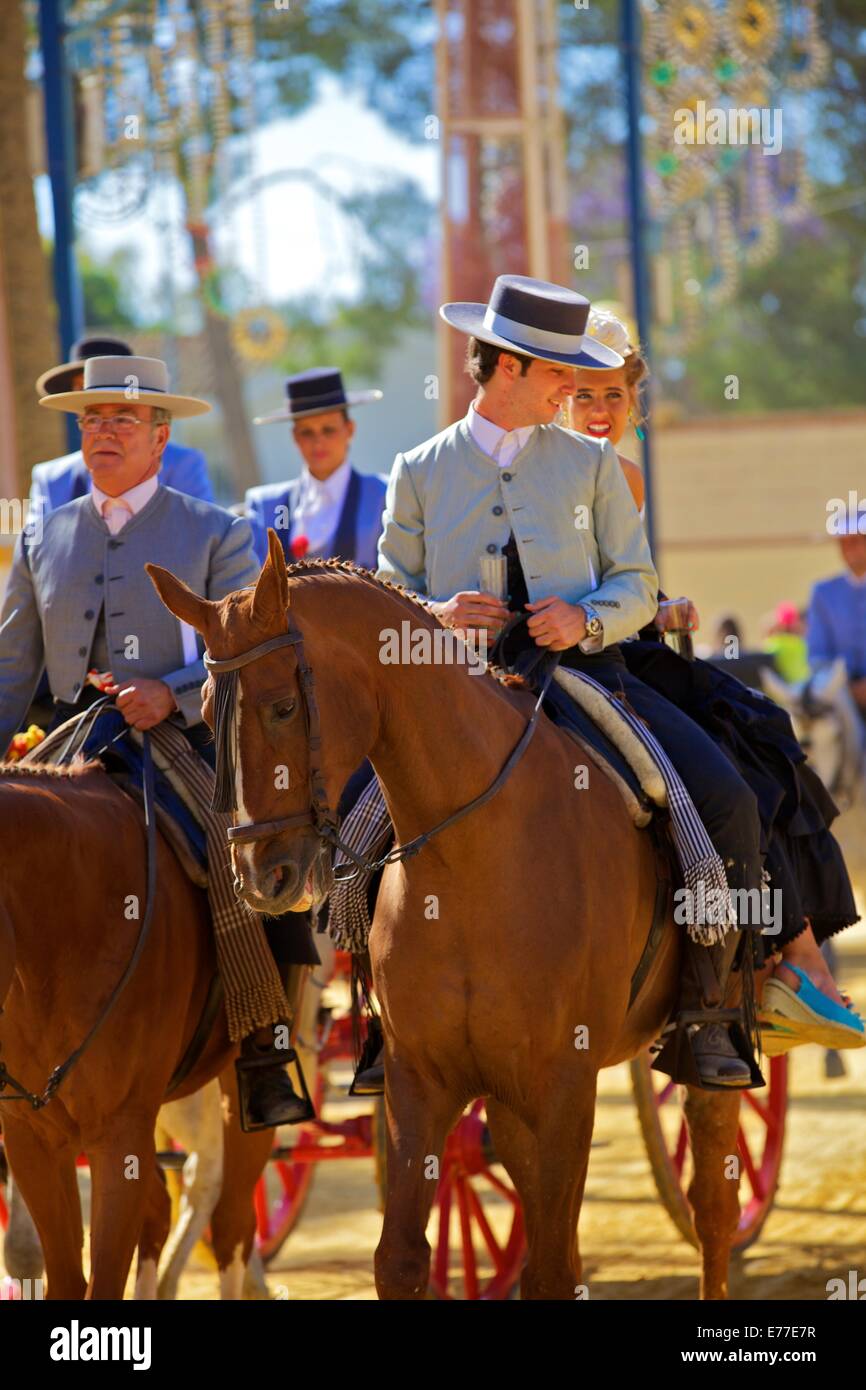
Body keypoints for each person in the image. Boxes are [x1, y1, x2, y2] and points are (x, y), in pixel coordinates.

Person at [376, 273, 777, 1089]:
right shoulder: (417, 469)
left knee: (724, 800)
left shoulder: (593, 465)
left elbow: (636, 582)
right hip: (453, 690)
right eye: (560, 372)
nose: (573, 390)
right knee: (347, 840)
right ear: (510, 367)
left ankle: (707, 1011)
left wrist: (586, 620)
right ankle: (392, 1019)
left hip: (584, 678)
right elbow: (386, 596)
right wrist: (435, 614)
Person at [0, 354, 313, 1128]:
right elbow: (11, 668)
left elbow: (250, 659)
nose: (103, 432)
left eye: (123, 419)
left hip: (185, 735)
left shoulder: (219, 533)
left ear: (160, 436)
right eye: (92, 419)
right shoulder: (44, 537)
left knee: (232, 849)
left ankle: (263, 1044)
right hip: (67, 739)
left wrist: (167, 693)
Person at [567, 306, 862, 1049]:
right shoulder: (535, 471)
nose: (600, 412)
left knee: (761, 728)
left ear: (632, 401)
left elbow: (618, 582)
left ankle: (792, 958)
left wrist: (658, 605)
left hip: (623, 646)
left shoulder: (625, 478)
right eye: (585, 396)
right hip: (579, 657)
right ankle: (785, 962)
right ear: (557, 395)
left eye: (613, 397)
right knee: (737, 750)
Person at [31, 334, 215, 513]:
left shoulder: (182, 464)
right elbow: (36, 541)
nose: (97, 397)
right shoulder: (52, 477)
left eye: (122, 419)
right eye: (83, 391)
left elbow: (202, 530)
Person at [245, 367, 388, 569]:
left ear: (349, 429)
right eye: (307, 432)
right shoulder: (266, 505)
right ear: (295, 436)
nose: (318, 442)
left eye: (328, 430)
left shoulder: (385, 495)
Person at [807, 514, 866, 720]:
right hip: (840, 693)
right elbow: (818, 653)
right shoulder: (823, 592)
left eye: (855, 541)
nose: (848, 549)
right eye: (843, 542)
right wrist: (847, 687)